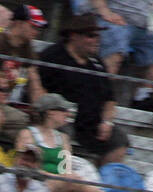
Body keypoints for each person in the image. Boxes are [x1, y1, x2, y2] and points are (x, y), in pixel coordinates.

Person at [39, 13, 129, 165]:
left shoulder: (97, 63)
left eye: (98, 36)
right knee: (63, 134)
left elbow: (110, 100)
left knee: (119, 140)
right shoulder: (52, 56)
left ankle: (95, 179)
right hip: (61, 120)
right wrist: (54, 115)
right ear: (74, 36)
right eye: (90, 36)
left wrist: (107, 122)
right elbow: (39, 92)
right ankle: (62, 176)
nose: (96, 40)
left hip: (91, 125)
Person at [21, 93, 109, 192]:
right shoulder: (28, 134)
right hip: (39, 185)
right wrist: (61, 177)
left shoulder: (63, 138)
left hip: (65, 189)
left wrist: (65, 178)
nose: (67, 113)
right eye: (63, 110)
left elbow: (66, 170)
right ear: (50, 112)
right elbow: (25, 168)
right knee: (69, 179)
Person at [84, 0, 153, 111]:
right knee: (117, 43)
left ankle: (143, 96)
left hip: (144, 27)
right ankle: (101, 94)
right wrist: (105, 12)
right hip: (112, 20)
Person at [0, 3, 47, 105]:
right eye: (33, 26)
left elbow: (34, 79)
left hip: (5, 100)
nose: (37, 32)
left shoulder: (26, 46)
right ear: (19, 23)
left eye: (38, 28)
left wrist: (39, 108)